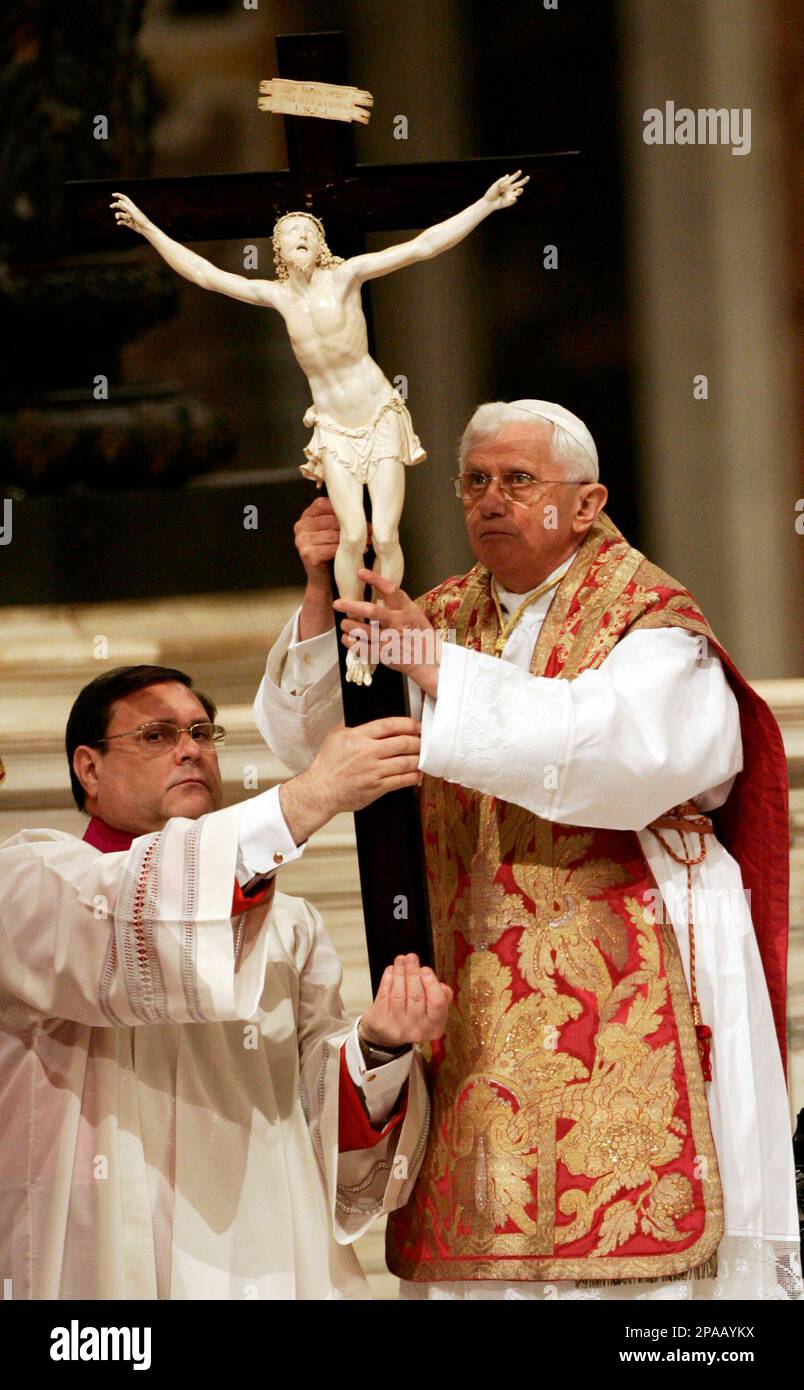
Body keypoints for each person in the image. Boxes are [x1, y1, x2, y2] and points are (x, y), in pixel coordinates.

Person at [253, 399, 802, 1301]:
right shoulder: (437, 616)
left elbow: (630, 756)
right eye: (474, 481)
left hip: (640, 965)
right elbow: (313, 738)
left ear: (587, 505)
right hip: (479, 983)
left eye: (518, 480)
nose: (490, 500)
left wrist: (443, 674)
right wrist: (323, 592)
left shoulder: (652, 618)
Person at [0, 663, 453, 1300]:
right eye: (156, 735)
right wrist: (311, 794)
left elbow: (321, 1131)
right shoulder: (28, 879)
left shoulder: (289, 924)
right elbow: (143, 909)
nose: (190, 749)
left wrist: (377, 1049)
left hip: (266, 1260)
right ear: (89, 767)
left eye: (202, 733)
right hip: (110, 1259)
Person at [110, 175, 527, 683]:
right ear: (280, 253)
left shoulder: (347, 277)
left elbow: (421, 246)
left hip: (378, 415)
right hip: (332, 426)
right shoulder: (278, 297)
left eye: (307, 234)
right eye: (289, 239)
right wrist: (149, 229)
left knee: (387, 531)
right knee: (352, 533)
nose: (300, 241)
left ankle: (386, 624)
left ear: (320, 244)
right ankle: (357, 638)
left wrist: (484, 202)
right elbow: (204, 272)